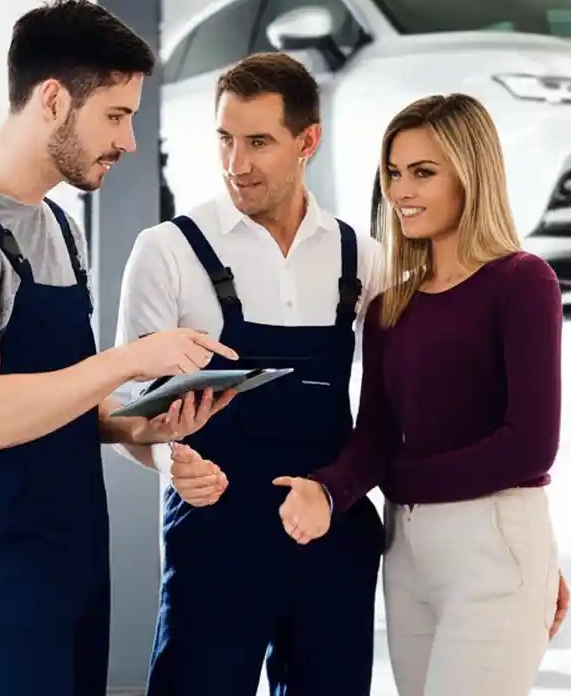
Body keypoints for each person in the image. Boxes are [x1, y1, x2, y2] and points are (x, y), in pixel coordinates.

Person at [0, 0, 236, 695]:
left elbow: (67, 403)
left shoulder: (59, 228)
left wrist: (151, 430)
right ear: (51, 100)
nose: (130, 141)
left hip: (74, 544)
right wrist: (134, 360)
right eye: (116, 115)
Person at [274, 93, 571, 696]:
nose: (401, 190)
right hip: (405, 550)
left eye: (423, 172)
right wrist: (328, 491)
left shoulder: (522, 281)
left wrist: (403, 481)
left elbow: (530, 446)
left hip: (494, 544)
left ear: (470, 174)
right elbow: (376, 434)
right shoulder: (390, 306)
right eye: (392, 173)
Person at [114, 53, 387, 694]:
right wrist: (168, 463)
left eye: (258, 142)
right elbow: (126, 414)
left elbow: (385, 413)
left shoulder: (362, 258)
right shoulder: (169, 252)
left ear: (307, 142)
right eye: (225, 139)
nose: (237, 163)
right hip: (216, 541)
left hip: (329, 532)